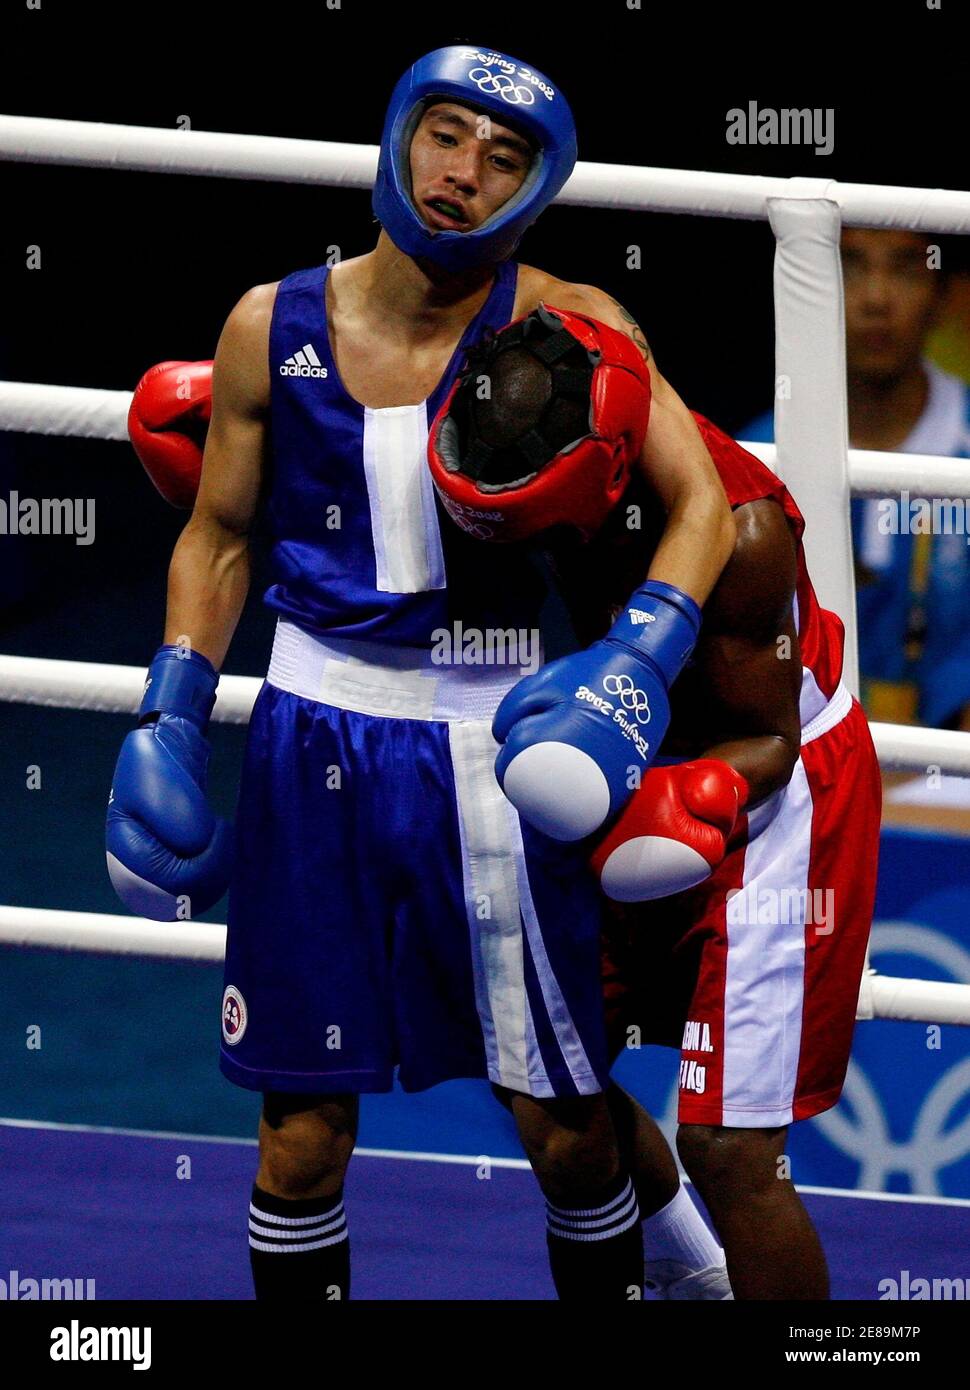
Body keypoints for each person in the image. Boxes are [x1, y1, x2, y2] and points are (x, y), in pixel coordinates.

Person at [107, 43, 737, 1302]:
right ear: (400, 138)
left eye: (502, 158)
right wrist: (172, 708)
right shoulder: (268, 323)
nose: (463, 173)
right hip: (312, 730)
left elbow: (704, 504)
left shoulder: (571, 326)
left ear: (535, 188)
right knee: (298, 1139)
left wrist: (635, 660)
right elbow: (218, 534)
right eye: (445, 136)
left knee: (562, 1126)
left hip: (496, 741)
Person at [431, 327, 882, 1298]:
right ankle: (685, 1262)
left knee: (730, 1147)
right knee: (538, 1068)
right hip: (627, 741)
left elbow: (766, 739)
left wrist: (688, 796)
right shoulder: (543, 388)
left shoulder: (744, 537)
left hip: (770, 787)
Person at [744, 228, 970, 731]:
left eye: (906, 269)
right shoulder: (755, 458)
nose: (876, 299)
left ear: (945, 294)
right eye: (849, 266)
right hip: (800, 761)